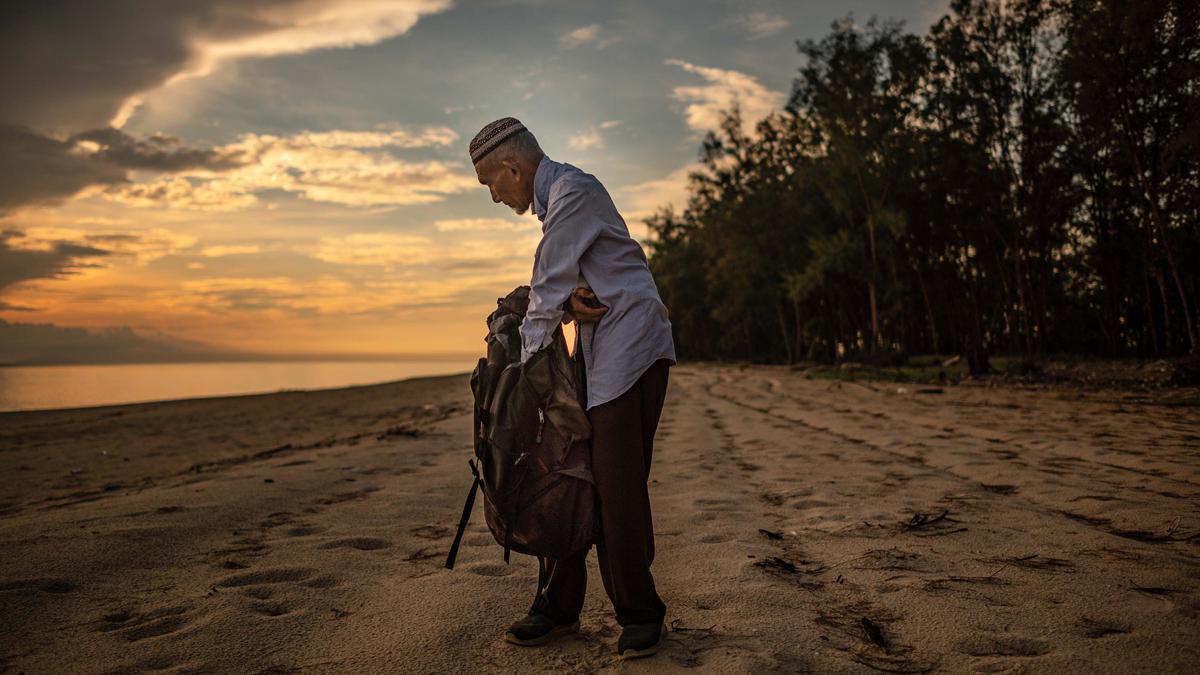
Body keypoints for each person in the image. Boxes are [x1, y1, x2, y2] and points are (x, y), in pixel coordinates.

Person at [469, 117, 677, 659]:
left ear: (513, 168)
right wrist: (565, 303)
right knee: (567, 472)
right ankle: (558, 609)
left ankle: (640, 615)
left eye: (492, 183)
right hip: (600, 353)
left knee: (614, 485)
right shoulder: (562, 200)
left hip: (630, 353)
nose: (493, 197)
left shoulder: (573, 192)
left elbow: (547, 285)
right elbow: (563, 288)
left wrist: (523, 381)